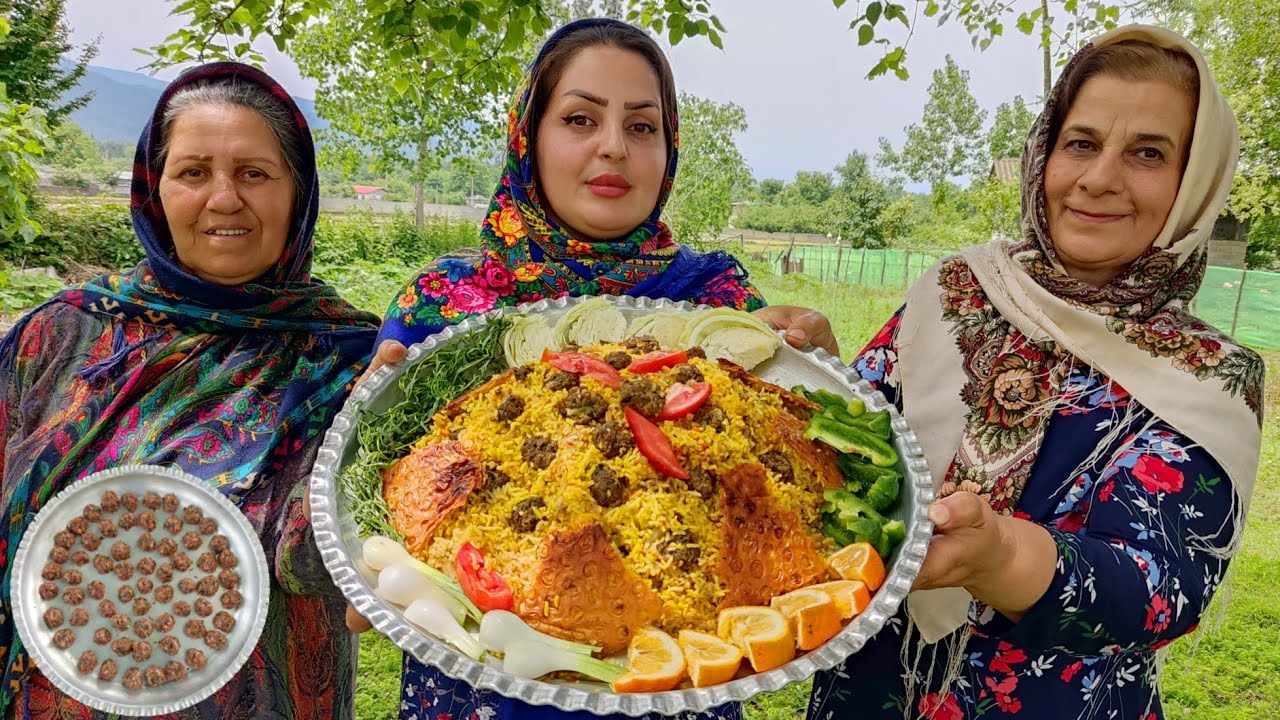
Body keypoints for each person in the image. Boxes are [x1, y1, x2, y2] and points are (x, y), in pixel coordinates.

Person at [358, 17, 837, 720]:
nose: (613, 146)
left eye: (642, 127)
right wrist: (366, 424)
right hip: (474, 697)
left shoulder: (717, 299)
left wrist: (820, 380)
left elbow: (772, 501)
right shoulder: (444, 302)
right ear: (529, 137)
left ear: (669, 148)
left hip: (672, 687)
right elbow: (386, 485)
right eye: (580, 118)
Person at [807, 25, 1264, 720]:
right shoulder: (953, 292)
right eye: (1080, 143)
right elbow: (861, 446)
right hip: (868, 686)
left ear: (1195, 183)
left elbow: (1160, 588)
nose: (1099, 177)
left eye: (1147, 153)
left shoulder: (1211, 375)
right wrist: (814, 368)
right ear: (1044, 153)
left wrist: (1000, 556)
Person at [0, 63, 380, 718]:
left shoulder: (348, 362)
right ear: (156, 189)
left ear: (297, 192)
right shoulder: (59, 336)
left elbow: (333, 558)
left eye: (254, 173)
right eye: (194, 172)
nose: (224, 198)